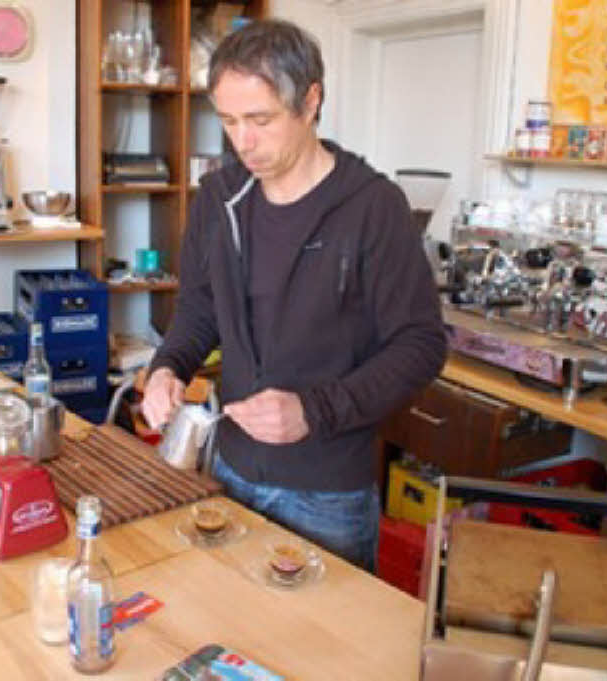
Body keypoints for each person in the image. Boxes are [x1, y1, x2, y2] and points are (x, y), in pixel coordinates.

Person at [142, 19, 447, 571]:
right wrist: (170, 366)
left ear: (310, 102)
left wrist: (314, 410)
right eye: (229, 121)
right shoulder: (218, 197)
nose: (243, 142)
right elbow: (200, 306)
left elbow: (422, 345)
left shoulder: (374, 208)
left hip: (327, 492)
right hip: (228, 470)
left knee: (327, 653)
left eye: (261, 119)